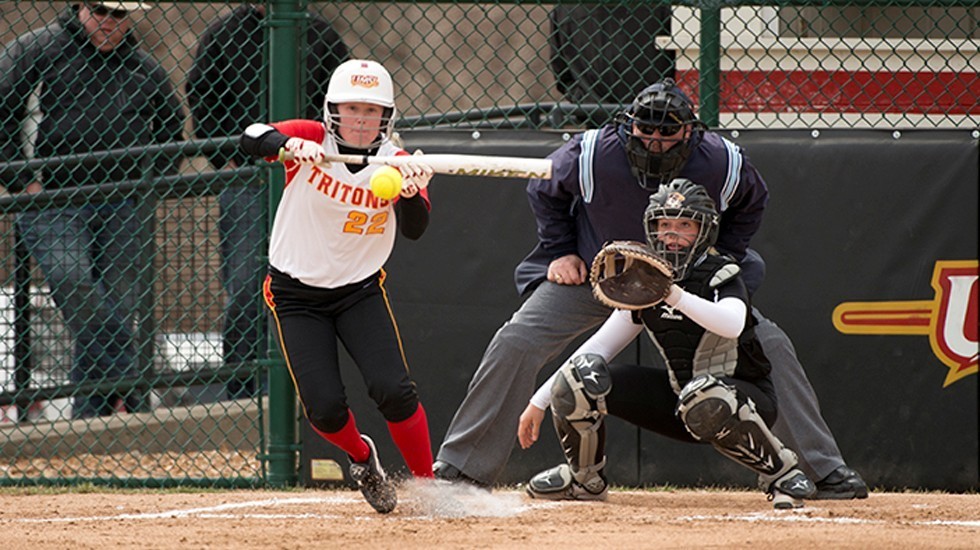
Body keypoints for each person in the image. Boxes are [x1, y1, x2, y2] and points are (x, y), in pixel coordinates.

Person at [434, 78, 869, 500]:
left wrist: (718, 261)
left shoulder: (721, 160)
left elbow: (753, 202)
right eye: (646, 129)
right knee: (518, 338)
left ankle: (818, 469)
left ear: (689, 130)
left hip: (689, 284)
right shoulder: (592, 154)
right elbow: (544, 189)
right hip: (601, 275)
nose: (656, 140)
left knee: (770, 344)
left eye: (668, 130)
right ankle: (464, 467)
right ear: (629, 124)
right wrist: (560, 250)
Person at [517, 179, 816, 508]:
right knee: (579, 376)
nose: (672, 235)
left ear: (704, 230)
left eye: (684, 225)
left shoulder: (723, 274)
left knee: (703, 392)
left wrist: (672, 294)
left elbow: (732, 323)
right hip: (681, 400)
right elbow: (597, 348)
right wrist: (539, 402)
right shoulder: (646, 283)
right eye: (664, 225)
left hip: (744, 402)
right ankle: (585, 481)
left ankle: (783, 474)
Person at [240, 59, 436, 514]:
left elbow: (415, 229)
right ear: (333, 111)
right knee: (325, 409)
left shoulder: (399, 161)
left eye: (372, 111)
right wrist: (287, 144)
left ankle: (429, 487)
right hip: (295, 295)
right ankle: (363, 459)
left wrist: (409, 193)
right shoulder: (312, 139)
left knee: (393, 390)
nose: (361, 120)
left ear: (386, 117)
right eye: (352, 109)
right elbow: (250, 136)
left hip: (358, 291)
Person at [0, 1, 185, 419]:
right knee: (72, 280)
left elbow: (172, 128)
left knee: (119, 303)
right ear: (81, 8)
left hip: (124, 202)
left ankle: (91, 418)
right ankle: (130, 379)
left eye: (119, 15)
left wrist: (147, 185)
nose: (108, 22)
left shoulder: (144, 69)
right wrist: (23, 180)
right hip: (51, 199)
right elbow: (1, 115)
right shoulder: (36, 50)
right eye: (100, 11)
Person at [186, 3, 349, 399]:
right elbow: (201, 91)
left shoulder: (321, 34)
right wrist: (222, 155)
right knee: (246, 284)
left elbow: (338, 106)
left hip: (309, 178)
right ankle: (243, 390)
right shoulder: (224, 33)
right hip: (247, 177)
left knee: (310, 280)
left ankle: (300, 388)